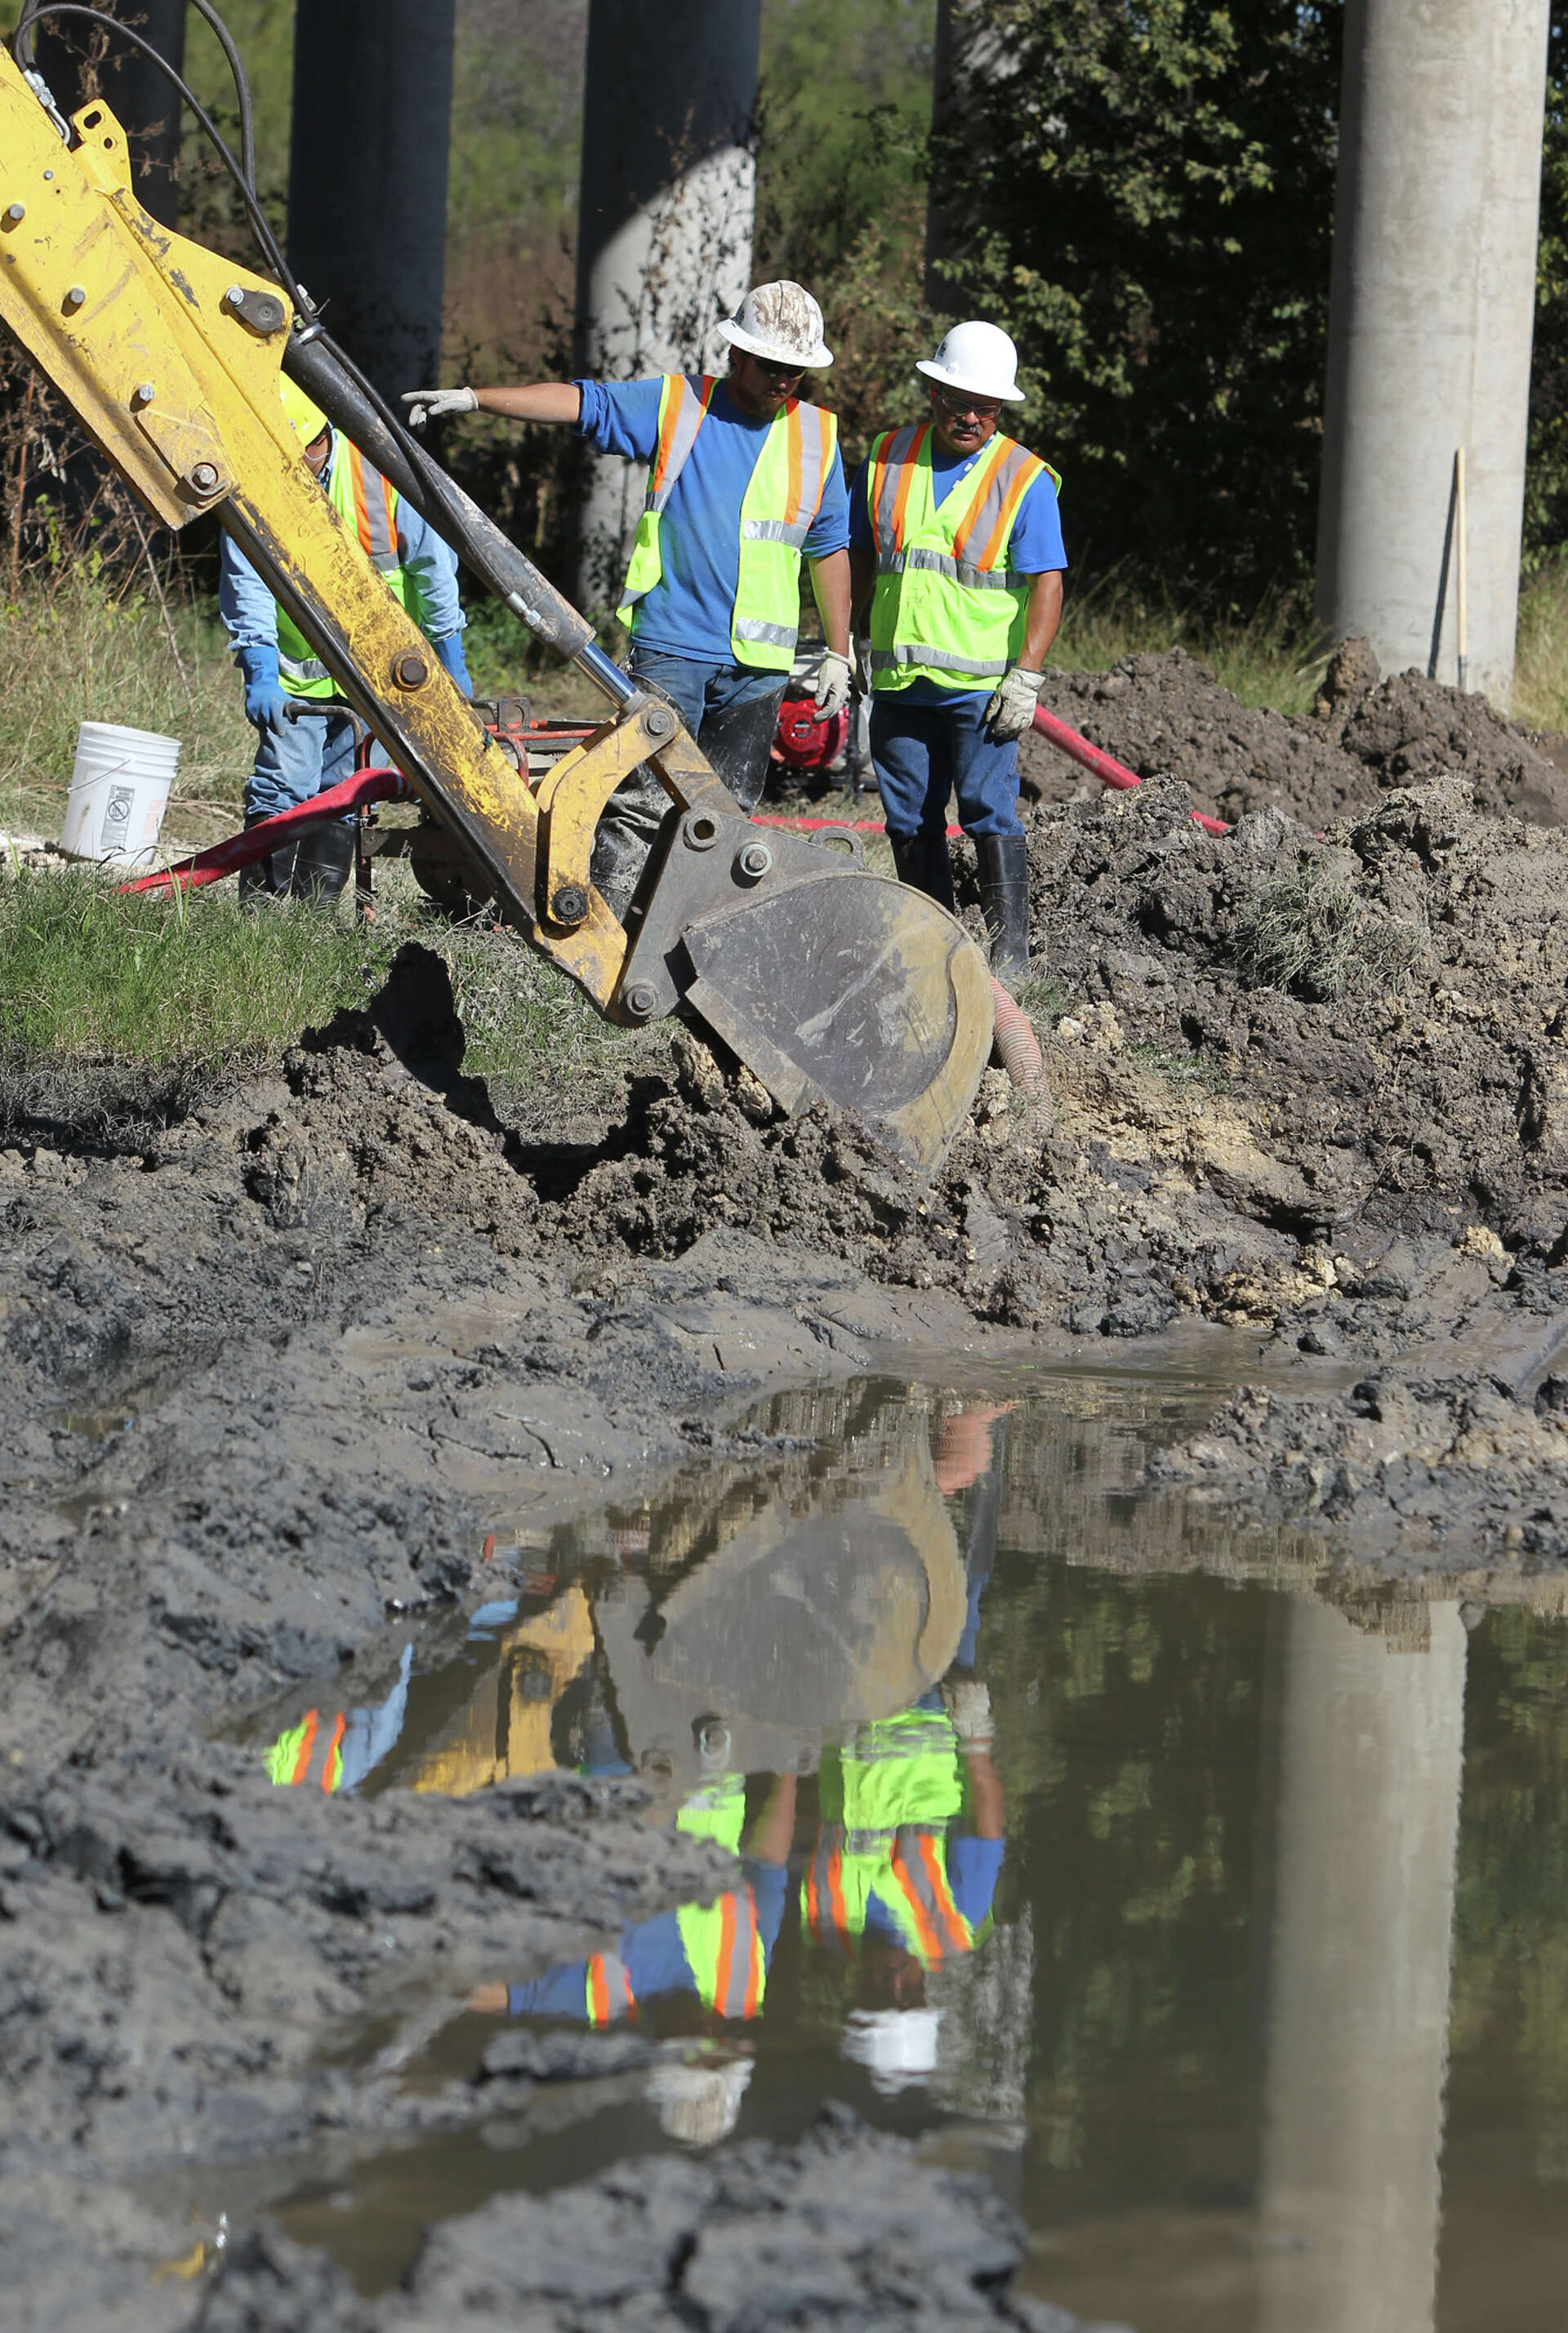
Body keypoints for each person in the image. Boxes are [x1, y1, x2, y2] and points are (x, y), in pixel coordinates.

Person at [402, 281, 853, 917]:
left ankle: (692, 940)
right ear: (736, 356)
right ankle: (604, 930)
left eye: (796, 370)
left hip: (761, 664)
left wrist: (840, 651)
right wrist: (478, 398)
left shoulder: (818, 436)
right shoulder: (681, 405)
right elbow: (583, 403)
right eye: (772, 365)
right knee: (643, 800)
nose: (784, 380)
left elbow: (829, 546)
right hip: (673, 646)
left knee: (728, 812)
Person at [848, 322, 1066, 987]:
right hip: (900, 680)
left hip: (979, 688)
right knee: (909, 817)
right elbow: (860, 552)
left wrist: (1026, 674)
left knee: (986, 810)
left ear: (1000, 409)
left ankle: (1009, 961)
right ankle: (929, 949)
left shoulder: (1023, 477)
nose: (969, 416)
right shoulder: (887, 455)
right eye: (957, 400)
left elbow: (1047, 582)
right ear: (933, 389)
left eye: (986, 406)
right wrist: (852, 635)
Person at [220, 378, 471, 903]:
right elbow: (249, 583)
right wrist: (261, 667)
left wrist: (449, 659)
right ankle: (255, 924)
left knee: (347, 792)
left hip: (378, 672)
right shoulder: (260, 484)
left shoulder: (380, 477)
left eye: (298, 460)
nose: (290, 474)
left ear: (320, 441)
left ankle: (314, 923)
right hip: (294, 674)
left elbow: (433, 573)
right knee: (283, 786)